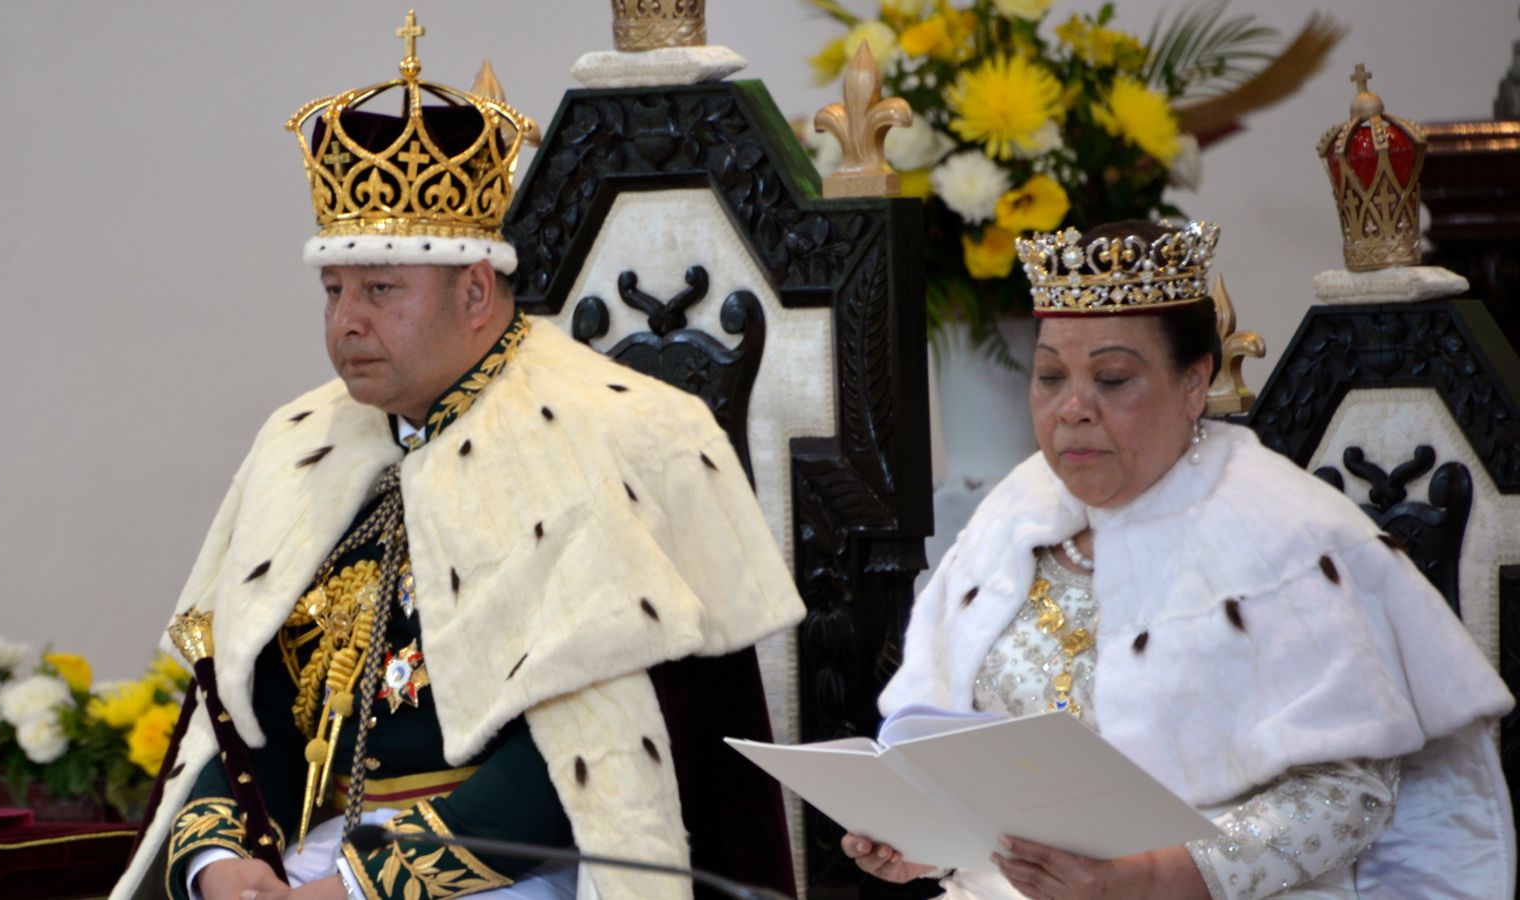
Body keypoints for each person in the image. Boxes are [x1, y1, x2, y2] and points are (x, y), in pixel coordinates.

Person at [110, 15, 802, 900]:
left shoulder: (615, 436)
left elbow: (586, 749)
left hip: (519, 876)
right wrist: (222, 867)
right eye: (333, 291)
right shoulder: (304, 443)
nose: (345, 323)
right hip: (315, 868)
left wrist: (361, 887)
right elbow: (251, 712)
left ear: (477, 291)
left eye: (381, 290)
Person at [843, 220, 1514, 899]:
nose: (1073, 409)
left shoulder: (1285, 531)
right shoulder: (1010, 513)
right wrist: (922, 838)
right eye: (1049, 376)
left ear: (1195, 383)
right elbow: (956, 745)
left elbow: (1351, 794)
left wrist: (1150, 878)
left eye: (1112, 379)